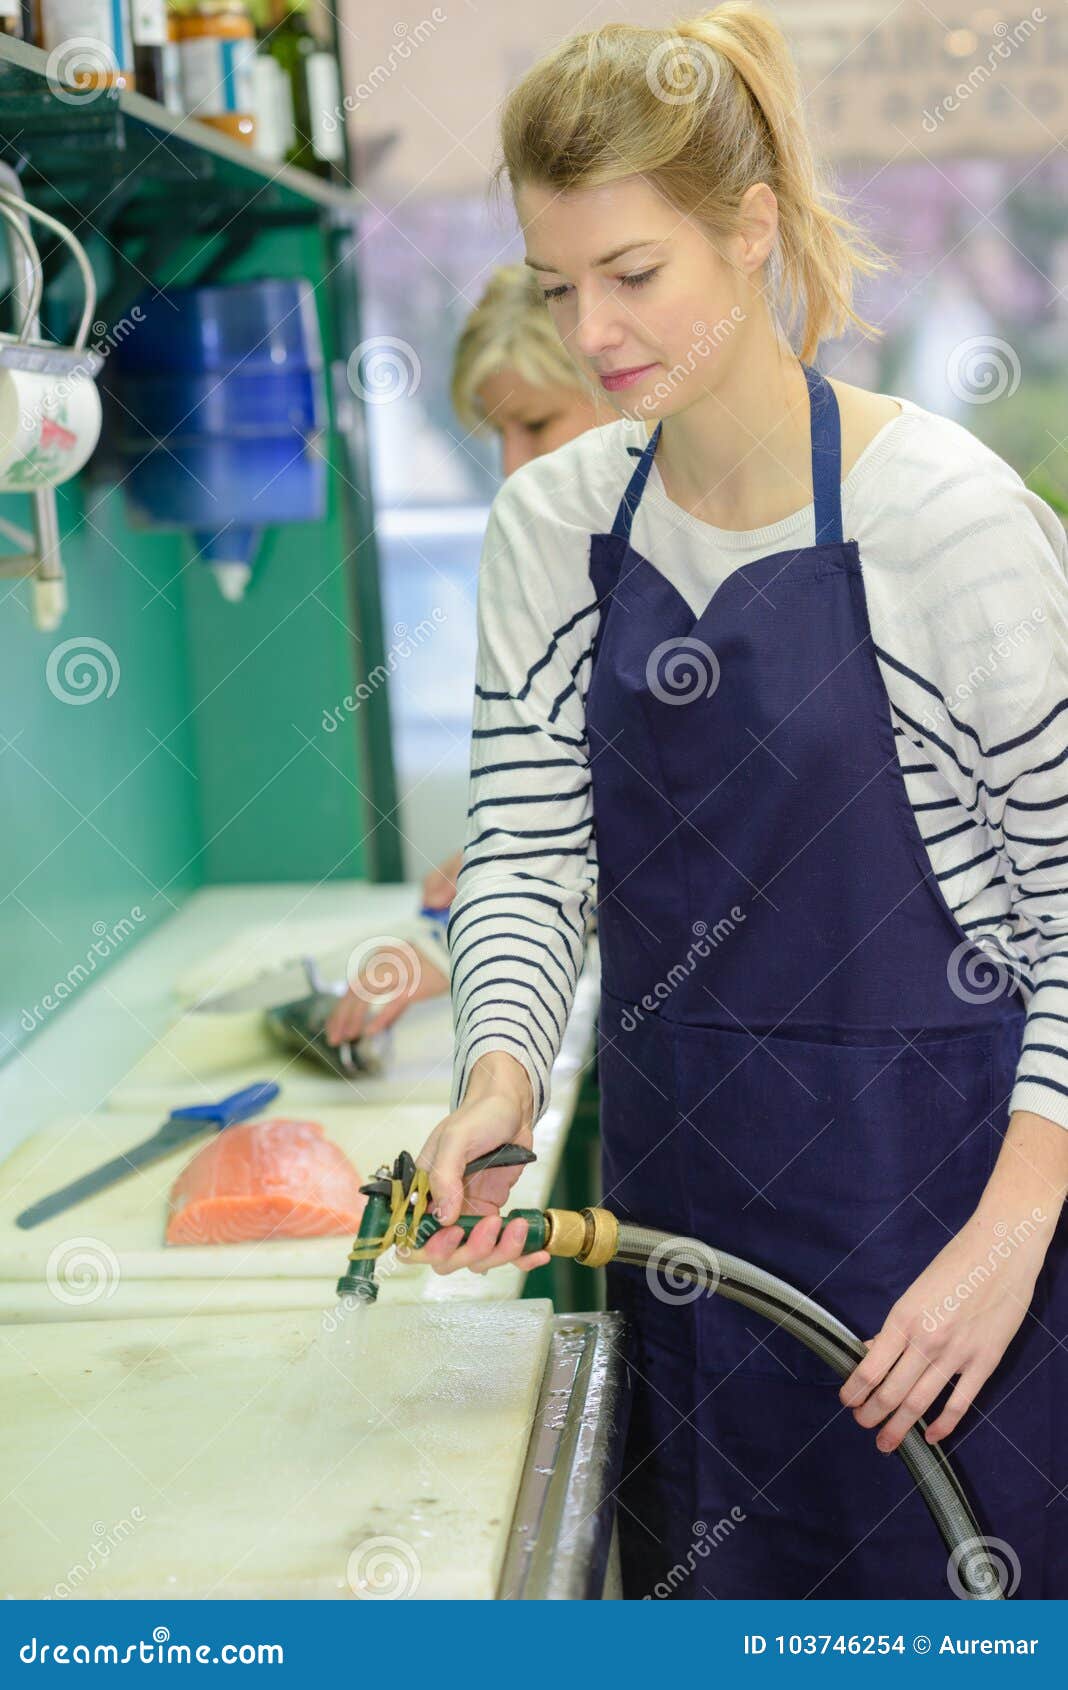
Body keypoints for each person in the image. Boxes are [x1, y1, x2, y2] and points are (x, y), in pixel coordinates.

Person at [407, 3, 1068, 1599]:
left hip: (957, 1264)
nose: (593, 331)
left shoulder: (944, 522)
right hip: (689, 1244)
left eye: (634, 275)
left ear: (752, 230)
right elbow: (525, 850)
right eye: (561, 286)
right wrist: (498, 1072)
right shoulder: (552, 525)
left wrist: (1004, 1243)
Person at [325, 264, 609, 1049]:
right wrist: (510, 861)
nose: (515, 466)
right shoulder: (569, 567)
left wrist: (466, 943)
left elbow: (714, 839)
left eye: (540, 425)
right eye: (498, 436)